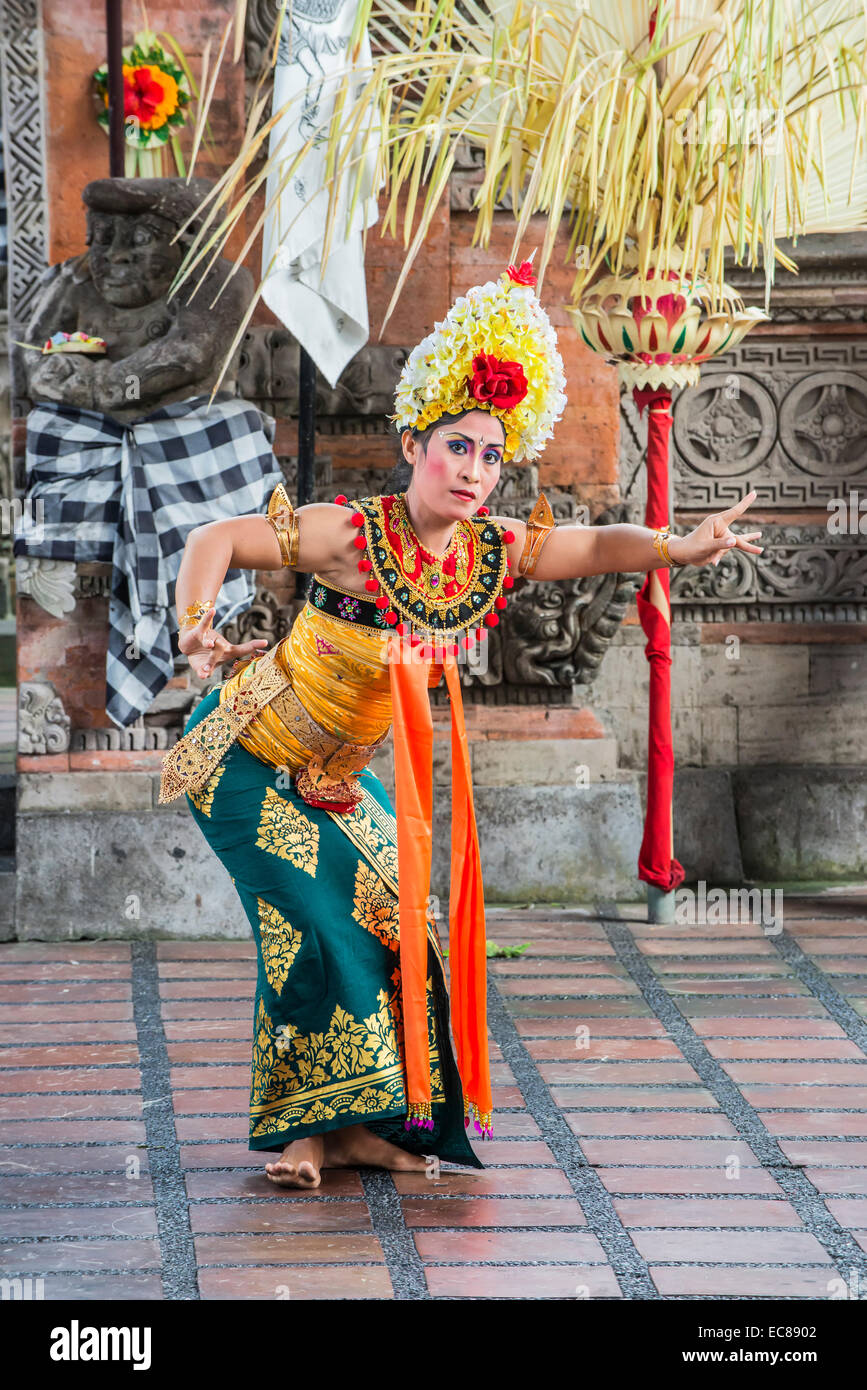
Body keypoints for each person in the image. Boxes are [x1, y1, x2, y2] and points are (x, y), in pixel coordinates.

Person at [158, 260, 762, 1189]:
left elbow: (590, 547)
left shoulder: (487, 550)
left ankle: (360, 1127)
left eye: (490, 453)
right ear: (413, 444)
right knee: (312, 926)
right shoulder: (350, 536)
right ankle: (301, 1135)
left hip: (338, 780)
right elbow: (215, 540)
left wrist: (675, 546)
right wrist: (196, 632)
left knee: (400, 932)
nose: (474, 471)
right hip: (242, 753)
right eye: (456, 448)